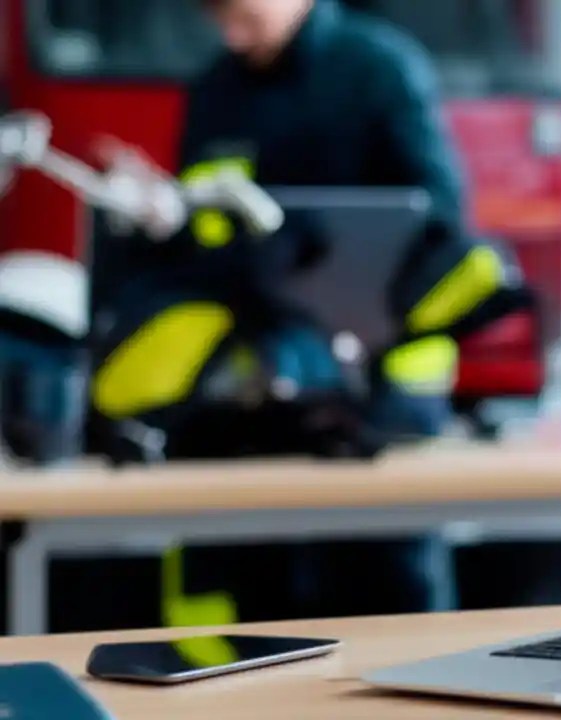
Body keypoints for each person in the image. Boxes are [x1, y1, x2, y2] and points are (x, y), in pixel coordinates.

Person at [87, 0, 508, 627]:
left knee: (389, 605)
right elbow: (204, 225)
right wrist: (164, 208)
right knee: (255, 610)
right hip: (251, 398)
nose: (228, 32)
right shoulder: (216, 87)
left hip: (377, 398)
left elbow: (439, 221)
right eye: (214, 16)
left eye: (238, 14)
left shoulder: (379, 69)